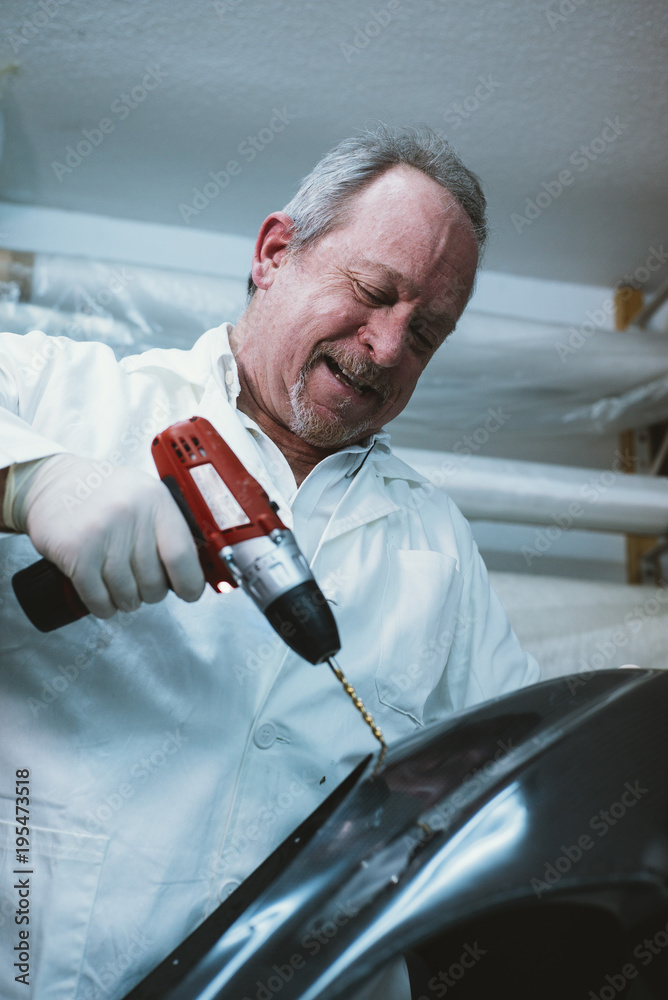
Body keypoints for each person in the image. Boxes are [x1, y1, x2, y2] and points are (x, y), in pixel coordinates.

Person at [0, 124, 538, 999]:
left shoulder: (437, 546)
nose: (390, 347)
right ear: (275, 252)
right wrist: (32, 481)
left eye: (428, 331)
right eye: (373, 291)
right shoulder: (64, 392)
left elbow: (522, 779)